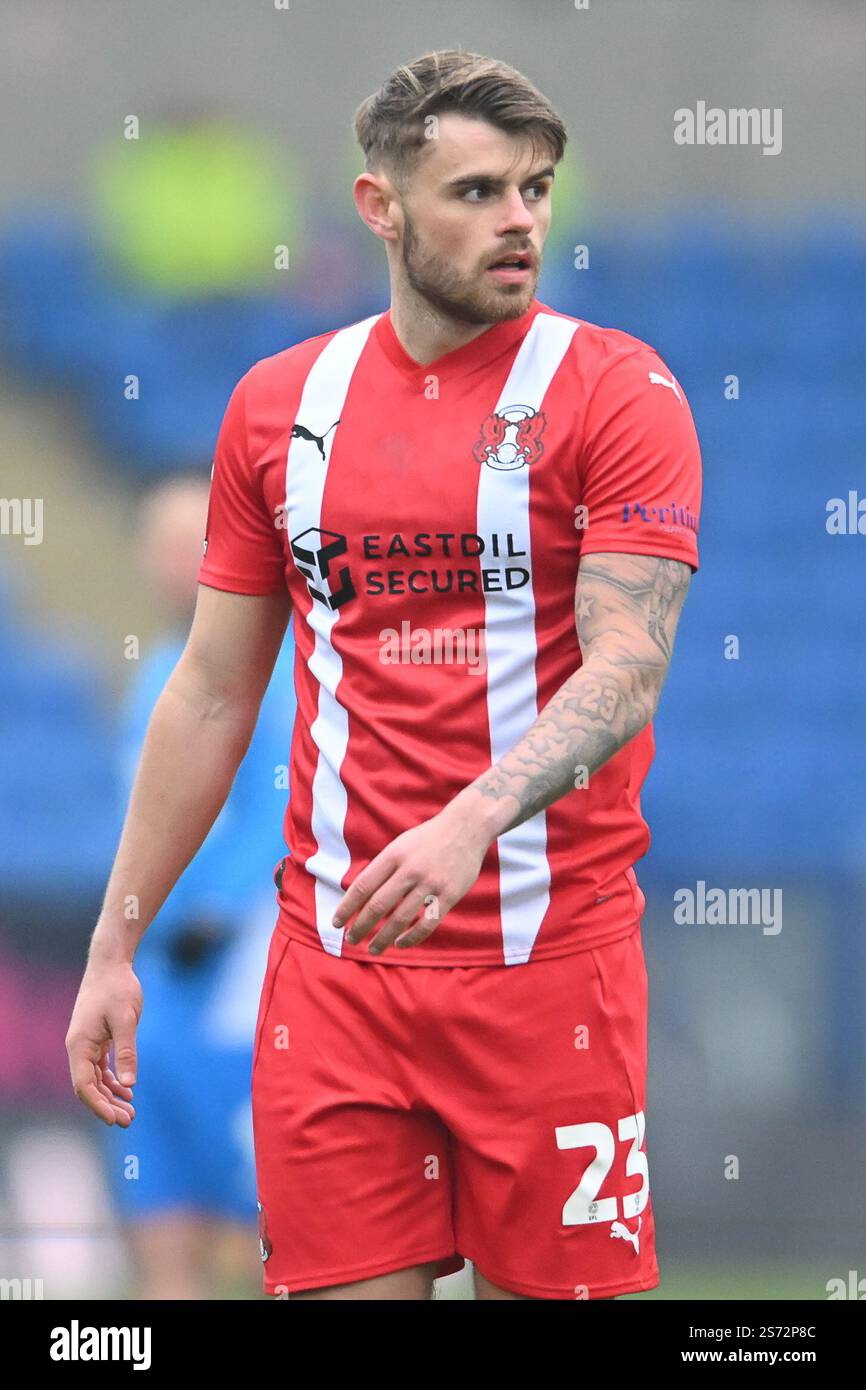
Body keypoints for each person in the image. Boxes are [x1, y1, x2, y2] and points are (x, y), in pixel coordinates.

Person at [67, 49, 701, 1301]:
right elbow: (207, 690)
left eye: (534, 189)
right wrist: (113, 941)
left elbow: (627, 664)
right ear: (380, 209)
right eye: (475, 192)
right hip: (335, 979)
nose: (517, 220)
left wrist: (471, 820)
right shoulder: (276, 408)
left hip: (547, 973)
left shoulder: (619, 392)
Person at [104, 477, 296, 1297]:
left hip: (238, 980)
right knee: (160, 1209)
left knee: (275, 1227)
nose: (170, 565)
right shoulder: (154, 676)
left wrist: (217, 911)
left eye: (190, 544)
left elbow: (282, 805)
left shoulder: (274, 670)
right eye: (161, 547)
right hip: (155, 983)